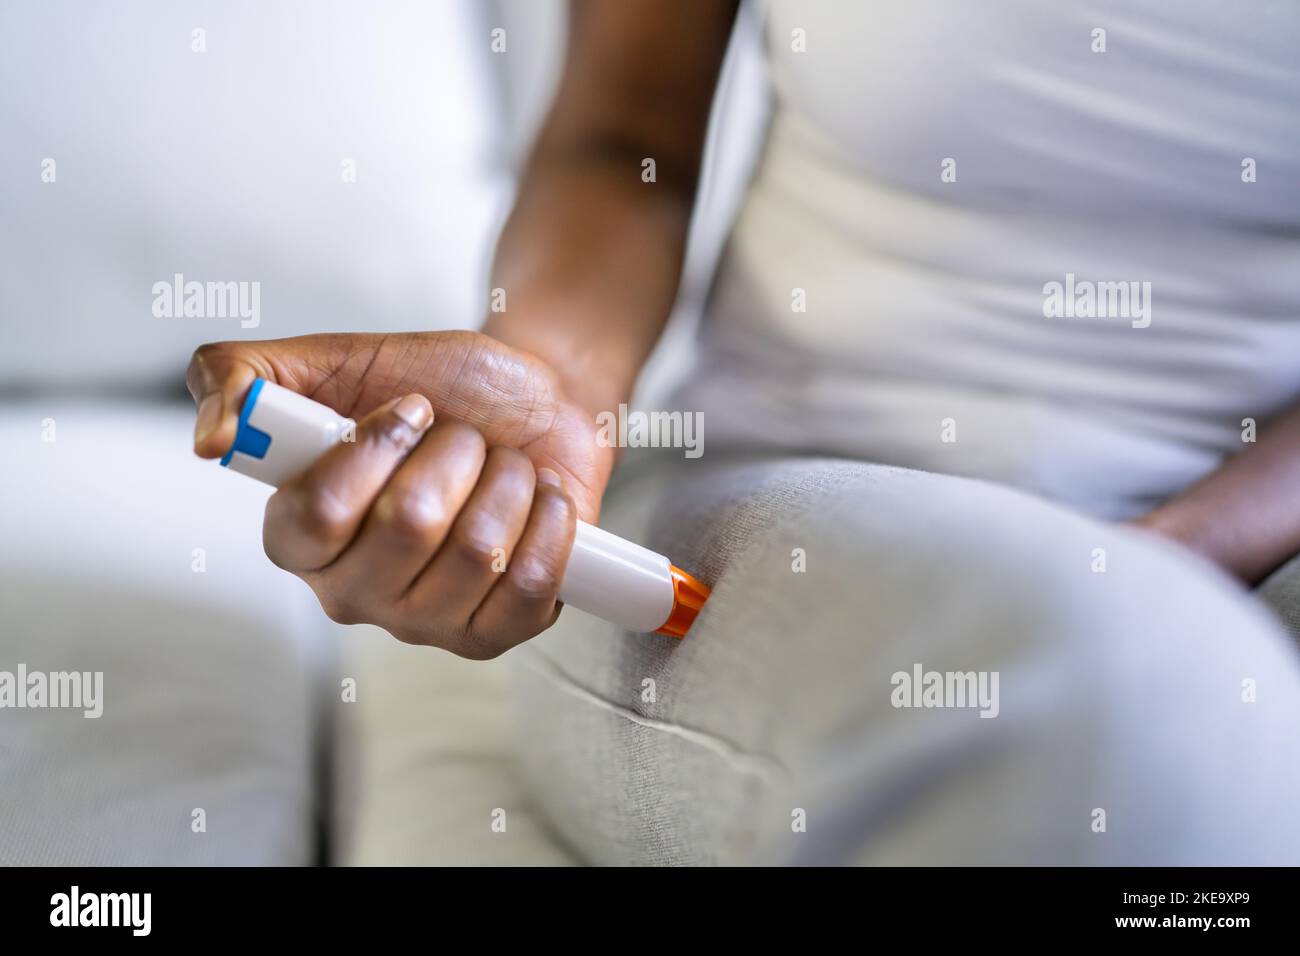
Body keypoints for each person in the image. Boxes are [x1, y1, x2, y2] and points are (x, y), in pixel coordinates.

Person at [188, 2, 1300, 862]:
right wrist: (553, 398)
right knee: (1131, 704)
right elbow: (622, 138)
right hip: (818, 506)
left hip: (1269, 529)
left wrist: (1182, 554)